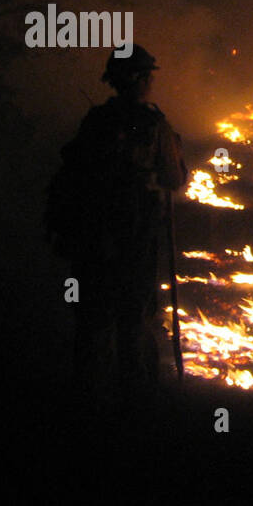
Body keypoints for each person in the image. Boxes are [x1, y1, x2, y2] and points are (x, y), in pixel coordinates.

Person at [46, 47, 187, 415]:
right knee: (134, 318)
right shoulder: (155, 126)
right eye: (148, 75)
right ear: (140, 79)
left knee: (94, 321)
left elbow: (72, 169)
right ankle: (135, 407)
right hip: (134, 239)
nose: (152, 81)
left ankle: (89, 404)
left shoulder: (96, 120)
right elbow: (175, 178)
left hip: (92, 240)